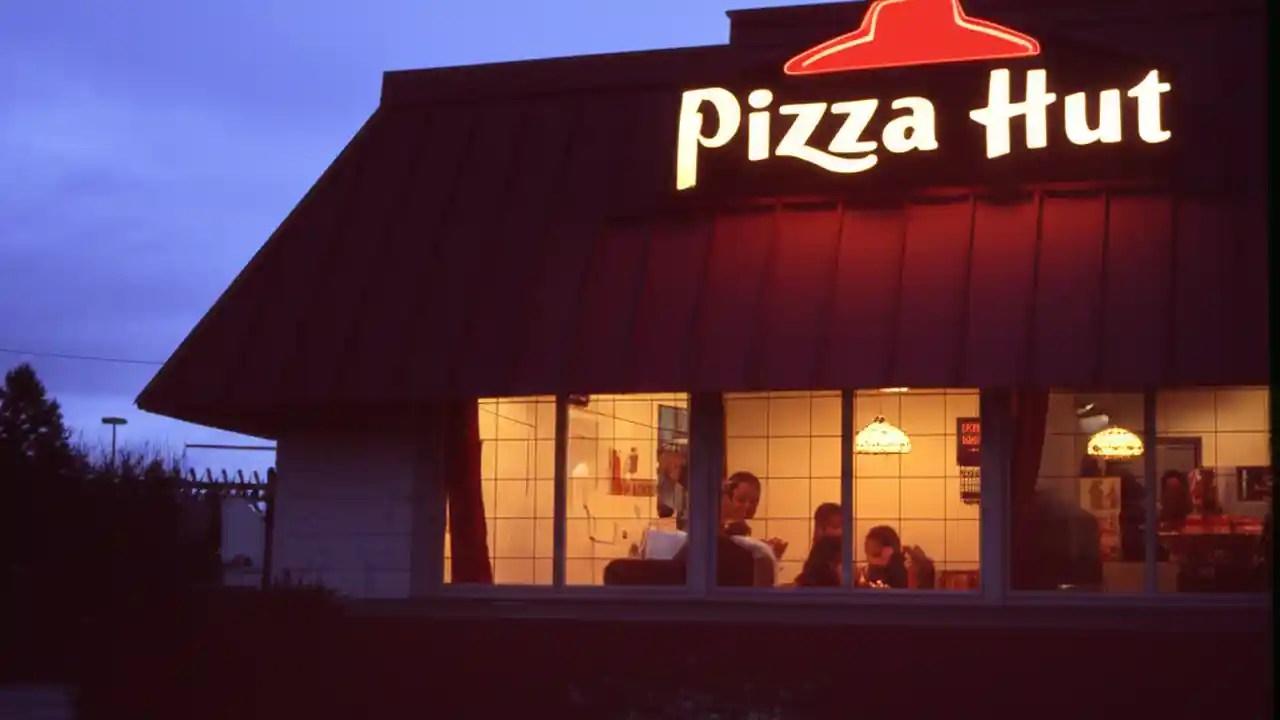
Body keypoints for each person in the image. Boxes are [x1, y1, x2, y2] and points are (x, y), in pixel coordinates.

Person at [720, 471, 788, 560]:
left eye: (753, 501)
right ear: (727, 499)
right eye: (741, 500)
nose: (747, 506)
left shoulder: (743, 532)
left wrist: (770, 553)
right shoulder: (721, 533)